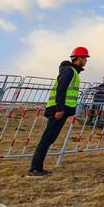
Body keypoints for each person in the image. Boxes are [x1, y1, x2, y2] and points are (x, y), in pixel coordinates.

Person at [29, 47, 89, 177]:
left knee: (49, 139)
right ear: (77, 59)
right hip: (58, 111)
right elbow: (61, 90)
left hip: (61, 111)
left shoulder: (72, 71)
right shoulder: (69, 71)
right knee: (47, 139)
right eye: (84, 58)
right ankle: (35, 169)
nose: (85, 60)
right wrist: (60, 109)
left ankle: (37, 167)